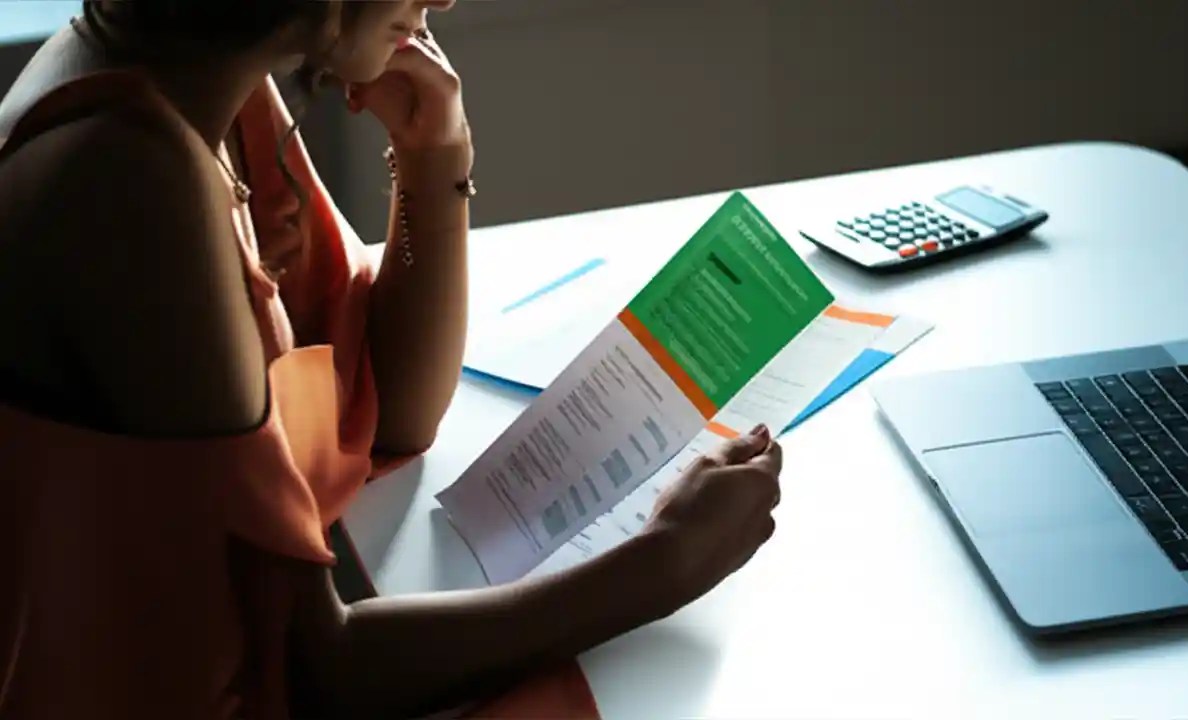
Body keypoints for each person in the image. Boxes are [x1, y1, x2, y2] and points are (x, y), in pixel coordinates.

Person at [0, 1, 784, 717]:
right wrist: (664, 564)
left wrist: (433, 153)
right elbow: (319, 671)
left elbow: (390, 409)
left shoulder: (198, 82)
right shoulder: (133, 180)